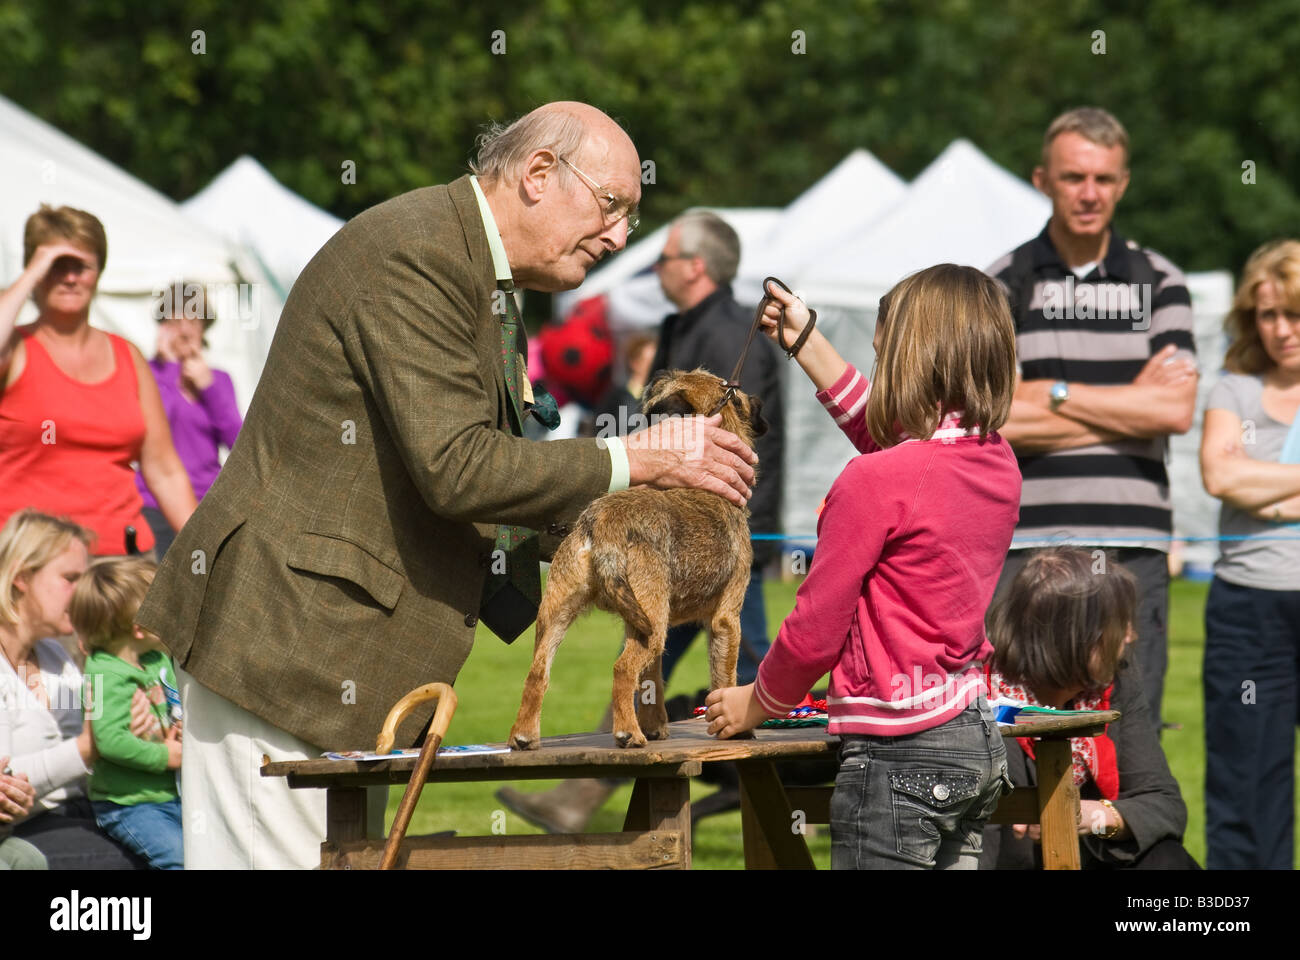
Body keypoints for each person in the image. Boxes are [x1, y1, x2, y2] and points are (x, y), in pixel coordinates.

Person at [133, 101, 759, 869]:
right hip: (284, 649)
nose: (621, 236)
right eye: (612, 205)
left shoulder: (481, 273)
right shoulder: (416, 254)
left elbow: (492, 480)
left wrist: (627, 535)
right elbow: (457, 467)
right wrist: (640, 459)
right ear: (537, 174)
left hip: (327, 657)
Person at [706, 264, 1021, 870]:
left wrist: (759, 701)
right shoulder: (997, 461)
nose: (878, 371)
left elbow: (815, 626)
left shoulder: (875, 482)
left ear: (910, 361)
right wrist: (806, 340)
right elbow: (903, 451)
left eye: (883, 356)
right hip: (972, 741)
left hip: (896, 753)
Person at [986, 108, 1198, 731]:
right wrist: (1128, 403)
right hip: (1024, 541)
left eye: (1103, 179)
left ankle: (1114, 832)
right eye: (1073, 176)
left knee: (1131, 731)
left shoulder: (1161, 281)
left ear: (1123, 183)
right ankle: (1032, 836)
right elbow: (992, 419)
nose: (1089, 193)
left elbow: (1175, 409)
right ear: (1042, 180)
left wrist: (1048, 394)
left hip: (1133, 546)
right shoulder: (1001, 282)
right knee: (1013, 729)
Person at [980, 548, 1197, 869]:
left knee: (1167, 860)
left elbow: (1163, 803)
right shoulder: (977, 696)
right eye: (1117, 627)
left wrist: (1096, 815)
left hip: (1093, 855)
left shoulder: (1116, 678)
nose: (1131, 636)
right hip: (1007, 862)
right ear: (1071, 638)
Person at [0, 206, 197, 557]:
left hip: (121, 564)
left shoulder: (128, 357)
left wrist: (206, 551)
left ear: (98, 271)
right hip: (29, 566)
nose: (70, 278)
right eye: (57, 265)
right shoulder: (13, 349)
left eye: (81, 266)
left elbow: (165, 471)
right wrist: (32, 271)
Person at [649, 210, 785, 688]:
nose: (655, 267)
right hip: (690, 525)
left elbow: (727, 440)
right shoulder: (681, 326)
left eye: (663, 257)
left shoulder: (727, 334)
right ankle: (615, 755)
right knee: (652, 653)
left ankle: (781, 761)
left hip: (723, 526)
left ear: (694, 266)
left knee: (747, 666)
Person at [1199, 239, 1300, 869]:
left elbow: (1242, 476)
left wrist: (1263, 484)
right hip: (1249, 613)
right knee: (1245, 779)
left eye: (1295, 312)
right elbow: (1219, 476)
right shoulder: (1232, 388)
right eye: (1268, 315)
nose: (1282, 329)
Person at [0, 510, 161, 869]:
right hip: (22, 833)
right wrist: (90, 747)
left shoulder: (55, 655)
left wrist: (143, 725)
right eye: (70, 578)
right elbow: (7, 780)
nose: (82, 591)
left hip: (86, 813)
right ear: (22, 577)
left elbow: (99, 751)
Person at [72, 557, 184, 870]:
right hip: (129, 804)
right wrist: (166, 756)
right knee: (180, 859)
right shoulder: (105, 674)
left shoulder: (155, 659)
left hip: (169, 795)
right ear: (139, 628)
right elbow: (110, 741)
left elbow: (174, 704)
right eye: (165, 610)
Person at [136, 282, 243, 559]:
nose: (185, 329)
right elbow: (151, 426)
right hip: (154, 502)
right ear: (163, 324)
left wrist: (208, 387)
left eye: (194, 319)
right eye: (177, 318)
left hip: (206, 501)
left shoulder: (219, 380)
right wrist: (170, 370)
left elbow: (238, 442)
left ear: (204, 327)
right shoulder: (148, 373)